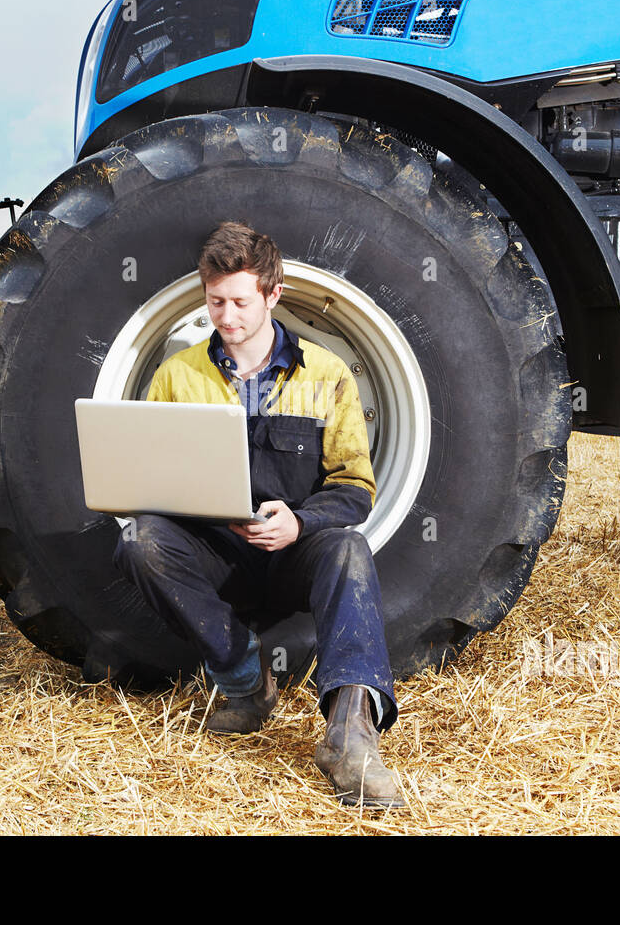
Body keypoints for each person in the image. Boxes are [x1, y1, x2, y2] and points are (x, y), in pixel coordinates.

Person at [113, 221, 403, 808]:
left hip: (296, 553)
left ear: (273, 295)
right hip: (215, 556)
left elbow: (354, 488)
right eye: (215, 301)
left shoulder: (325, 375)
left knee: (349, 548)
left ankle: (351, 735)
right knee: (141, 541)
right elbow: (146, 479)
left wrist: (299, 522)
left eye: (241, 301)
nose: (226, 316)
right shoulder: (177, 376)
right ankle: (245, 679)